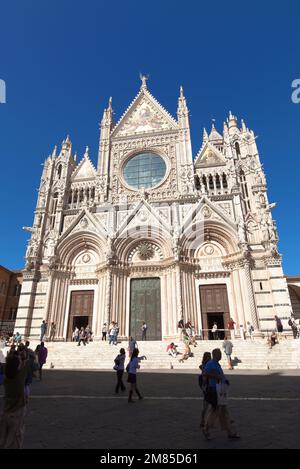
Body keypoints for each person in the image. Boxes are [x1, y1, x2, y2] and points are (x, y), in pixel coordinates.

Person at [202, 348, 239, 440]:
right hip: (215, 389)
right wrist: (216, 377)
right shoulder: (210, 364)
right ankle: (206, 428)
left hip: (220, 389)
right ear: (215, 355)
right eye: (219, 354)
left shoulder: (216, 364)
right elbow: (205, 373)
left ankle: (230, 431)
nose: (221, 355)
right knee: (216, 410)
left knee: (223, 411)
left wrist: (225, 380)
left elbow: (220, 375)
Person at [0, 351, 30, 448]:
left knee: (3, 440)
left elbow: (9, 366)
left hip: (6, 411)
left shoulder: (6, 379)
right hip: (17, 413)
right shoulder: (19, 379)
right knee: (14, 442)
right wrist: (24, 355)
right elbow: (29, 361)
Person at [198, 352, 212, 428]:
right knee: (206, 405)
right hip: (207, 386)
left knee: (206, 405)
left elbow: (200, 366)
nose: (210, 358)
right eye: (209, 356)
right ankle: (203, 421)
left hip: (206, 386)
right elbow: (204, 377)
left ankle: (203, 421)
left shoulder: (204, 365)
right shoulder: (206, 365)